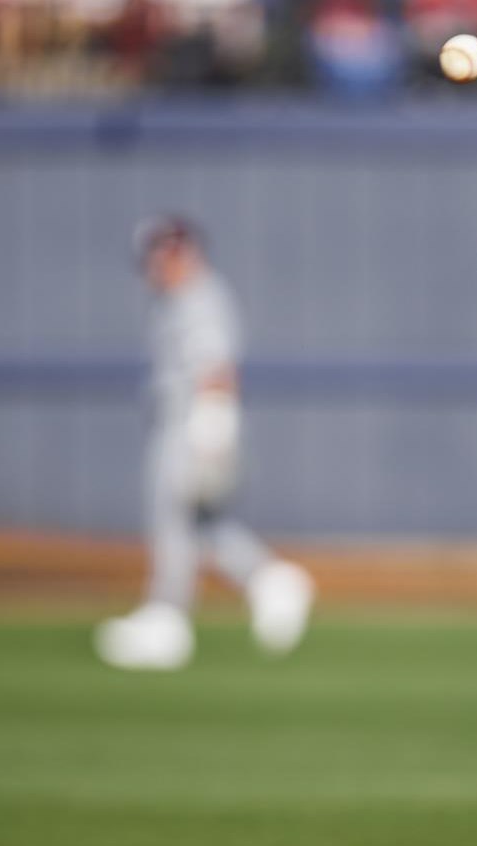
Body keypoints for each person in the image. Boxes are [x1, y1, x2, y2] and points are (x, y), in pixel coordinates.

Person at [95, 215, 314, 671]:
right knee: (203, 528)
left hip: (191, 423)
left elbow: (215, 368)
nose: (155, 265)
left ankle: (167, 619)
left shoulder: (199, 297)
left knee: (173, 521)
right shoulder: (176, 300)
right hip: (184, 421)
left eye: (163, 252)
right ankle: (270, 579)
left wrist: (211, 429)